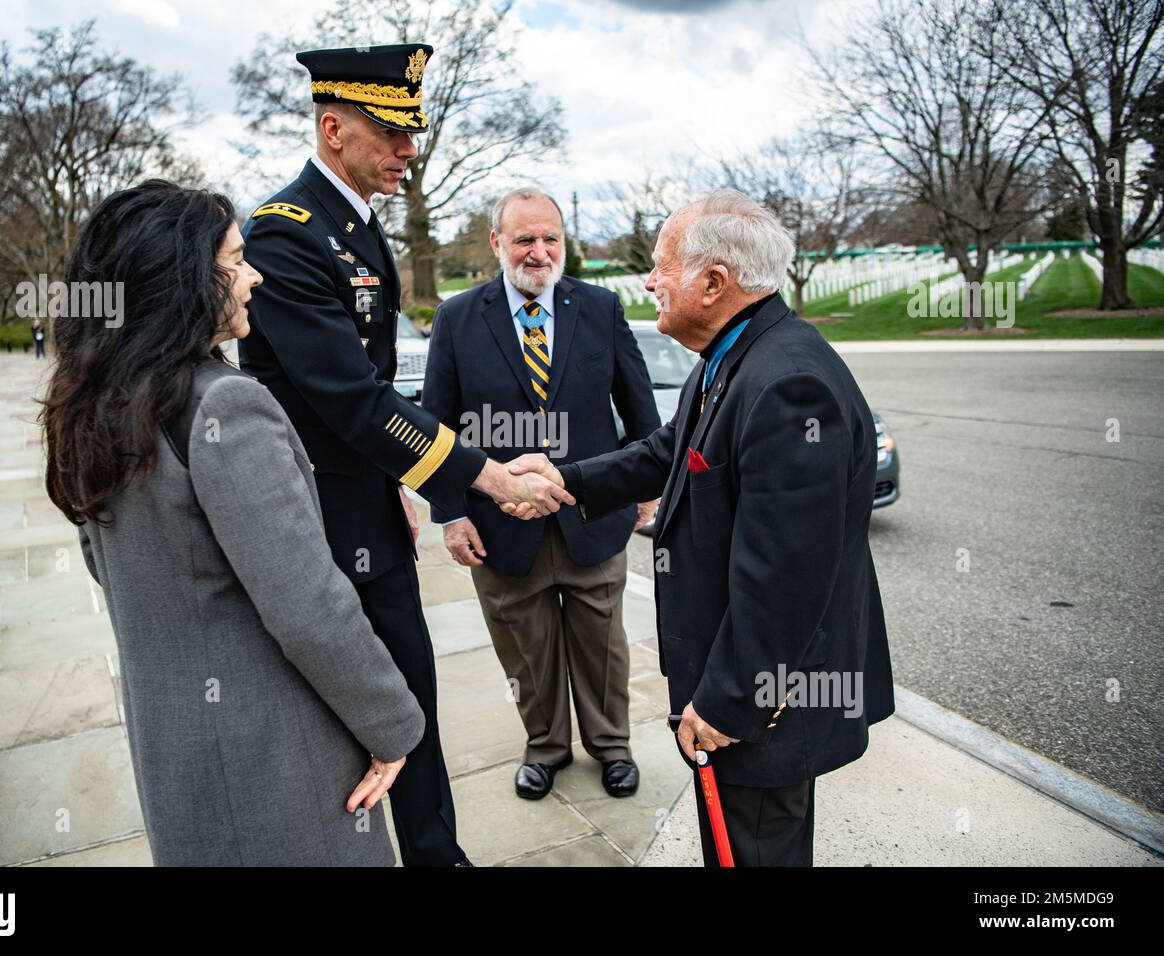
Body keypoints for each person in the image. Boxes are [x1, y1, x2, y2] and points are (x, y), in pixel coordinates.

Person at [238, 43, 569, 867]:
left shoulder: (351, 224)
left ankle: (436, 856)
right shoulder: (287, 234)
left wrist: (414, 480)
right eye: (390, 132)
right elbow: (353, 400)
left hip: (368, 510)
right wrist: (485, 476)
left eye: (410, 133)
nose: (408, 151)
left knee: (409, 698)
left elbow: (375, 396)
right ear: (333, 127)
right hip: (314, 520)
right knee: (346, 716)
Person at [41, 179, 426, 866]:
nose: (253, 276)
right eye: (235, 260)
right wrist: (393, 724)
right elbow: (308, 604)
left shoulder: (94, 408)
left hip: (175, 751)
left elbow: (116, 577)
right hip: (279, 759)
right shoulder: (227, 408)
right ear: (184, 280)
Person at [505, 190, 895, 866]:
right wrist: (565, 480)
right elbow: (669, 452)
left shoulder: (789, 386)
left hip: (762, 710)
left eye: (661, 268)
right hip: (737, 691)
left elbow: (787, 580)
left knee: (756, 850)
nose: (649, 282)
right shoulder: (734, 355)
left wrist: (729, 706)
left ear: (715, 282)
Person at [423, 187, 661, 800]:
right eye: (524, 238)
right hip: (499, 524)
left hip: (593, 514)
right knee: (526, 648)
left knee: (603, 645)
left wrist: (644, 487)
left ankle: (611, 746)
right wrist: (450, 515)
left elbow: (638, 409)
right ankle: (546, 746)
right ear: (497, 243)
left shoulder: (602, 308)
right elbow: (436, 425)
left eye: (550, 237)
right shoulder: (456, 317)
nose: (538, 251)